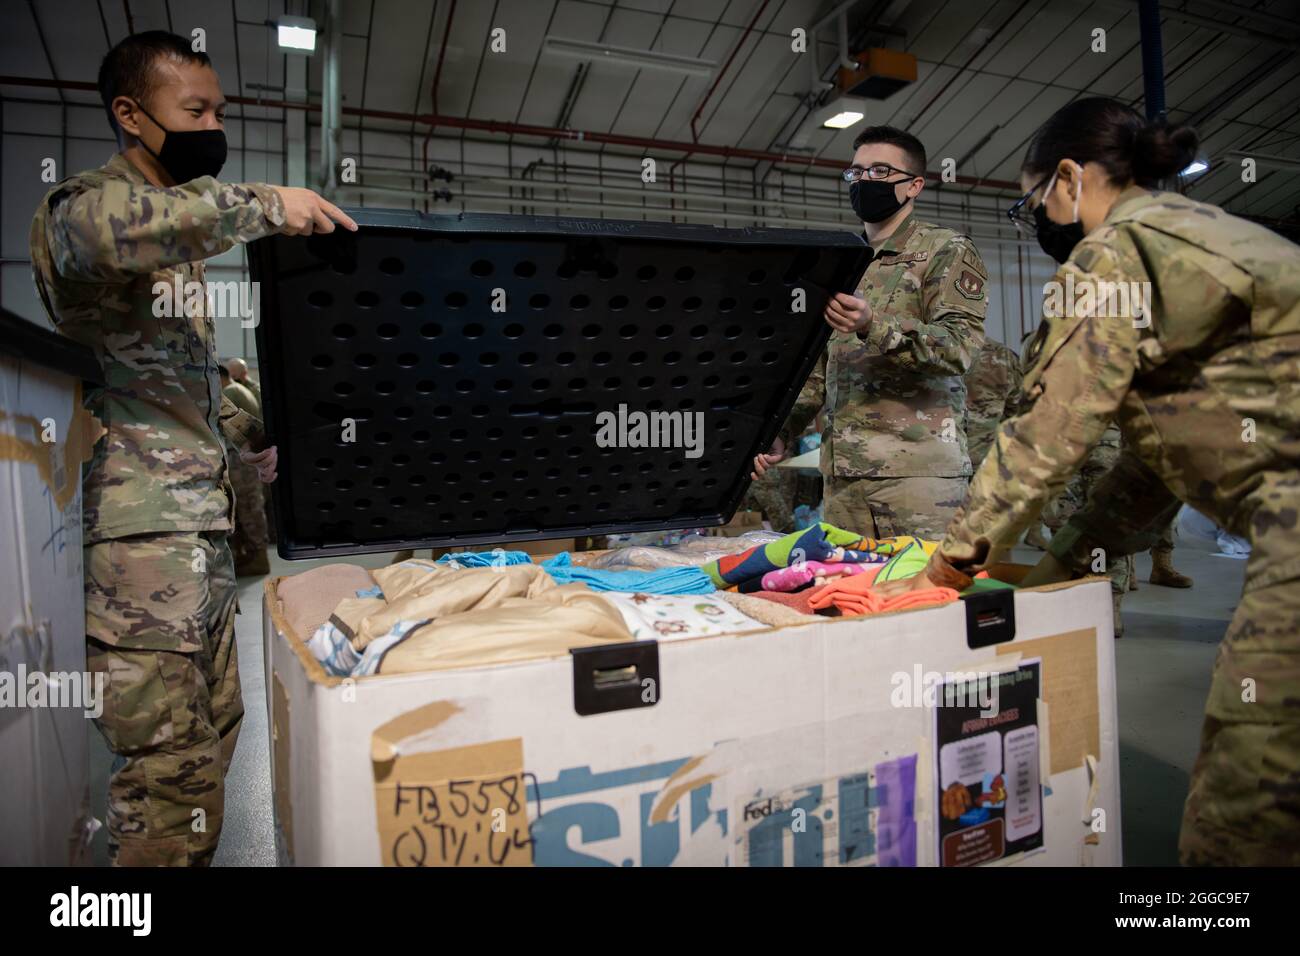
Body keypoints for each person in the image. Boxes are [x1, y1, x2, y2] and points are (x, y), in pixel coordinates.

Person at [878, 97, 1300, 865]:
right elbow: (1154, 465)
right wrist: (1064, 565)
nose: (1039, 219)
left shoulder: (1114, 255)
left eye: (1033, 200)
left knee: (1248, 808)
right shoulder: (1207, 236)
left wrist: (946, 568)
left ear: (1069, 179)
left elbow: (1047, 435)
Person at [28, 31, 357, 865]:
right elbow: (115, 232)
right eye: (196, 110)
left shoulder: (177, 251)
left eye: (219, 109)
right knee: (166, 782)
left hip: (203, 547)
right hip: (140, 556)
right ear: (131, 116)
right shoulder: (84, 210)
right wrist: (265, 205)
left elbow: (186, 389)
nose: (214, 125)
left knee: (208, 755)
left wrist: (251, 434)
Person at [752, 126, 989, 539]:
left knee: (922, 598)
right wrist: (782, 430)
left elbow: (959, 349)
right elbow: (817, 368)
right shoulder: (841, 261)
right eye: (856, 172)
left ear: (914, 185)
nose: (864, 181)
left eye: (880, 171)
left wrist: (873, 325)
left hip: (916, 478)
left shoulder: (945, 249)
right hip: (844, 479)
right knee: (851, 598)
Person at [220, 364, 270, 576]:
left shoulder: (230, 393)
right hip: (246, 460)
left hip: (241, 463)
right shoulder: (241, 390)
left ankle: (257, 559)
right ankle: (251, 556)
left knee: (247, 509)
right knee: (249, 508)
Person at [962, 337, 1023, 471]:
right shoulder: (1002, 355)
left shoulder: (924, 353)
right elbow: (1017, 410)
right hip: (986, 460)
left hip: (936, 463)